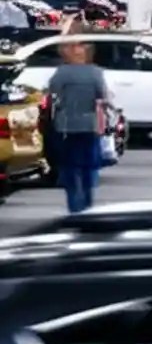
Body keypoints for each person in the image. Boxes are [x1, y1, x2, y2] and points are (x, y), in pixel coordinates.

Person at [47, 36, 110, 213]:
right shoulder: (96, 73)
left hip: (66, 125)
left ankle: (74, 208)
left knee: (70, 168)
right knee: (88, 167)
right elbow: (102, 97)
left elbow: (52, 95)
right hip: (89, 125)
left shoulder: (61, 73)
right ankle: (88, 207)